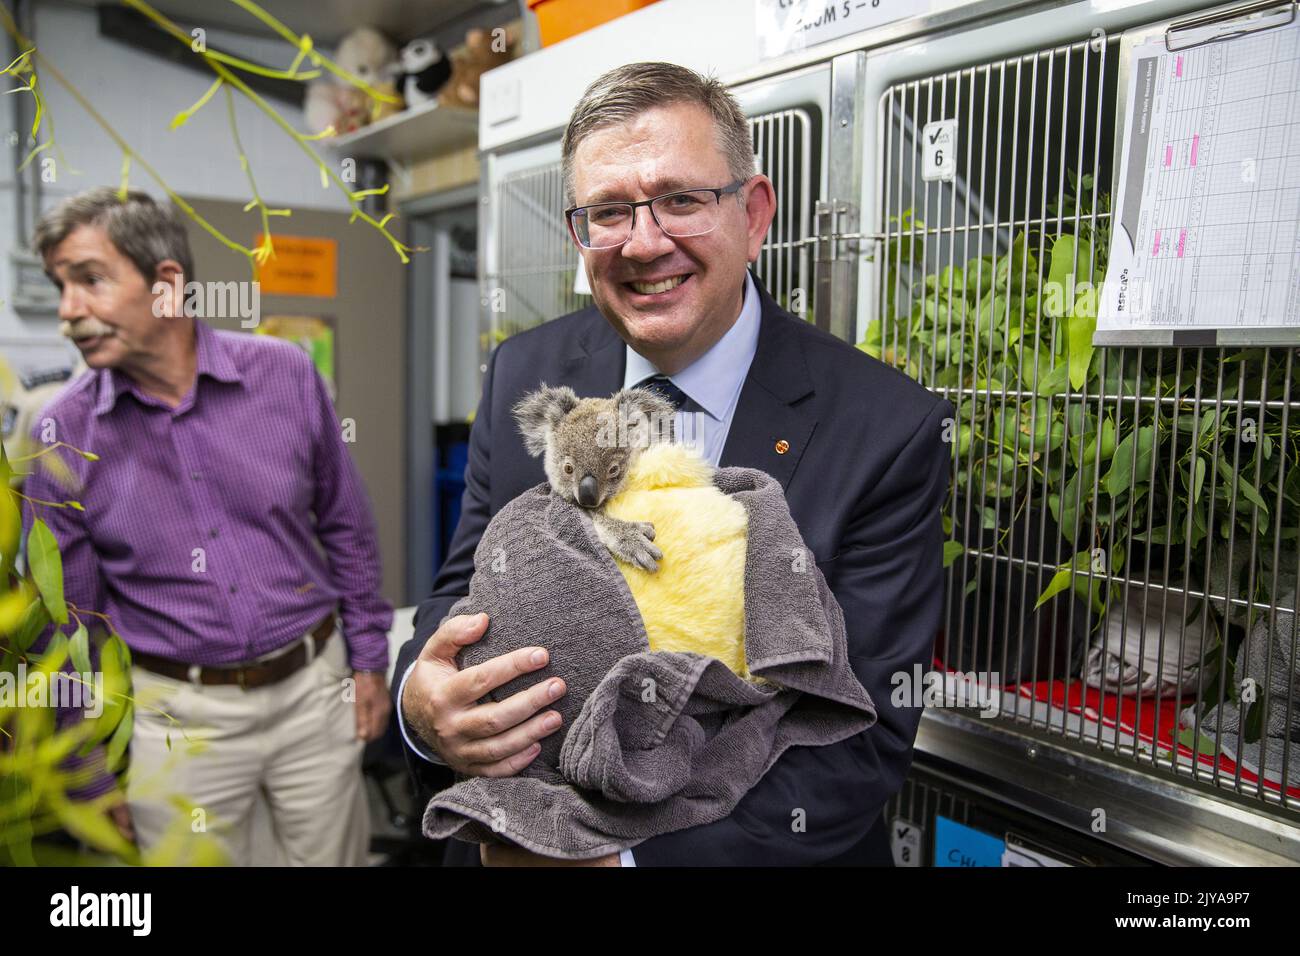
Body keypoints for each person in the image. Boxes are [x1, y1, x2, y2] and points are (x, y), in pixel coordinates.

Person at [395, 62, 955, 866]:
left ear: (754, 213)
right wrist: (421, 705)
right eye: (609, 212)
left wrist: (612, 862)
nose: (644, 242)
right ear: (578, 234)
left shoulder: (884, 428)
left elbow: (857, 737)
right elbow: (462, 590)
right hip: (505, 836)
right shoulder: (527, 373)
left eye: (682, 200)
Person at [24, 187, 393, 865]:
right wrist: (87, 761)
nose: (69, 311)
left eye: (90, 280)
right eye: (60, 286)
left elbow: (347, 526)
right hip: (175, 717)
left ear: (166, 283)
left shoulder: (284, 374)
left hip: (315, 692)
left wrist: (368, 661)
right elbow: (69, 622)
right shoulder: (63, 435)